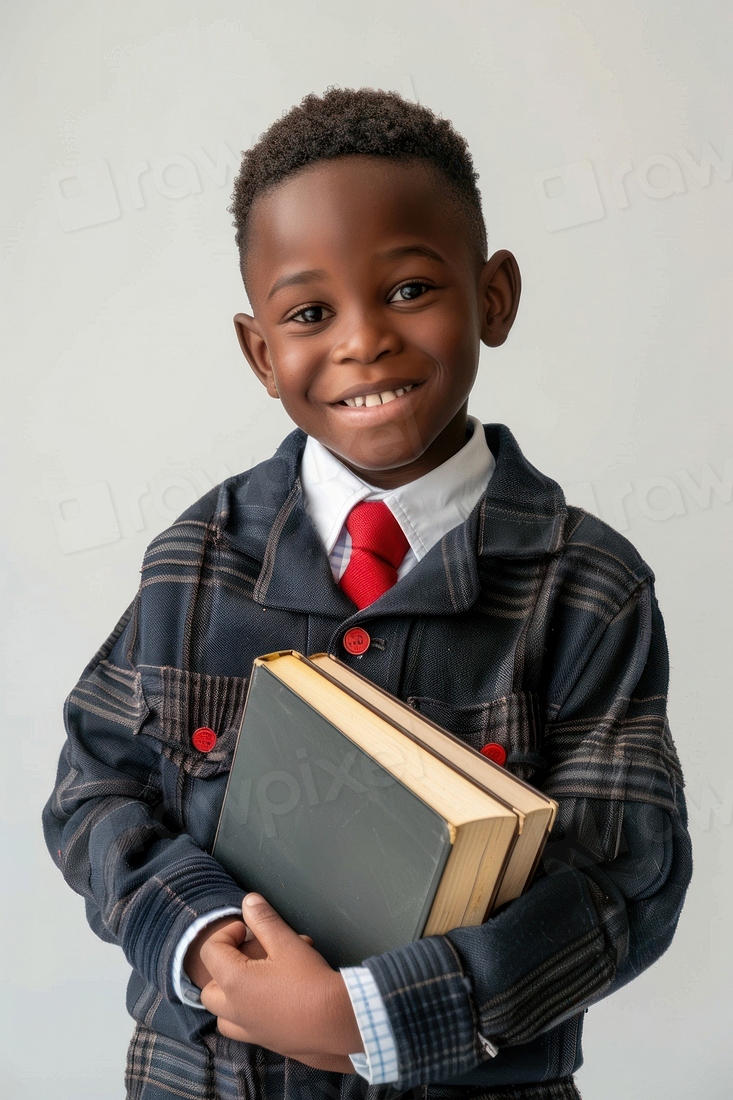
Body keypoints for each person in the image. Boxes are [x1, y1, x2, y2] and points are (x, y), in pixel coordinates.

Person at [43, 88, 692, 1100]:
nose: (362, 341)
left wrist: (379, 1014)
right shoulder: (192, 563)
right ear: (262, 352)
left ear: (494, 297)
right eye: (309, 313)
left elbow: (622, 880)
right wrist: (208, 940)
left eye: (407, 290)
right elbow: (94, 786)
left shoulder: (587, 588)